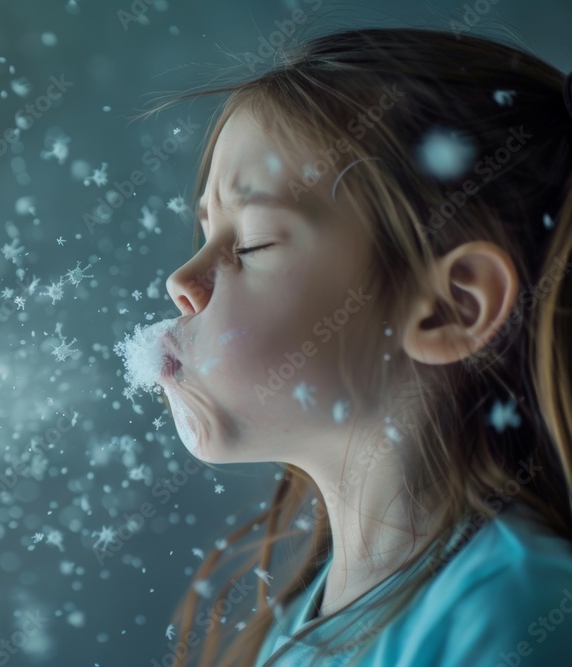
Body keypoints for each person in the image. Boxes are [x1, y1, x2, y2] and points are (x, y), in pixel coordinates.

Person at [147, 26, 572, 666]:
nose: (181, 281)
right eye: (205, 232)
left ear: (451, 307)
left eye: (253, 242)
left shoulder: (513, 610)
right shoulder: (294, 627)